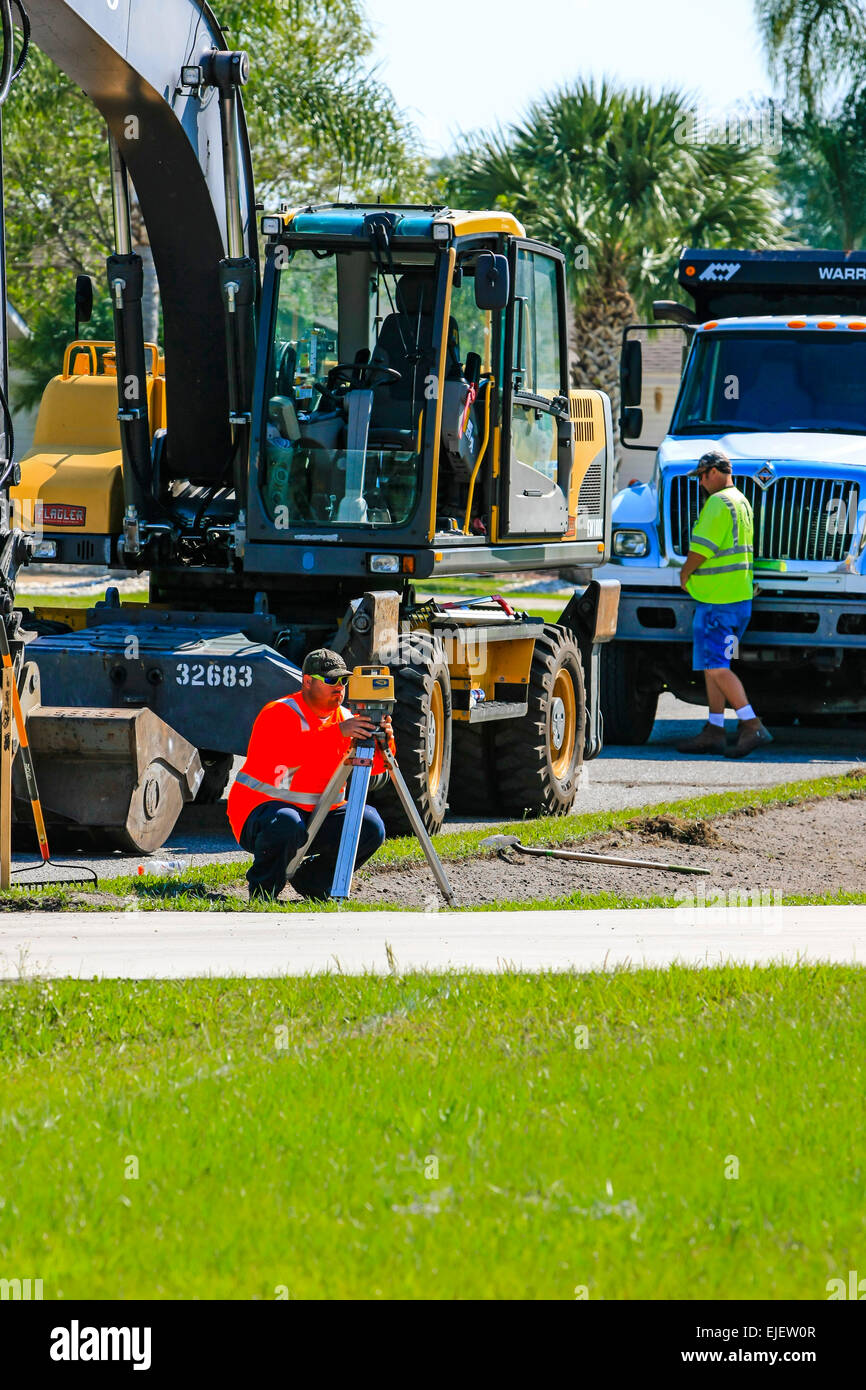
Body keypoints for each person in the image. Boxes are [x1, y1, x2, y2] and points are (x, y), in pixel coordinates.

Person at [227, 649, 392, 901]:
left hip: (318, 815)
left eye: (343, 681)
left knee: (370, 825)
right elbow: (289, 753)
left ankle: (314, 882)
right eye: (330, 680)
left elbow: (378, 769)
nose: (339, 687)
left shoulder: (347, 719)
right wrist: (339, 733)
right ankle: (263, 893)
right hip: (263, 814)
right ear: (307, 681)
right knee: (286, 823)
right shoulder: (279, 712)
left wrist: (385, 742)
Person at [676, 448, 772, 759]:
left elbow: (703, 548)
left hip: (716, 600)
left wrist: (685, 573)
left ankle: (751, 723)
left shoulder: (717, 503)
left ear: (714, 472)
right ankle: (715, 729)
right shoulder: (741, 501)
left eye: (702, 477)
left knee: (716, 666)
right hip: (738, 600)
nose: (701, 483)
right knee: (714, 664)